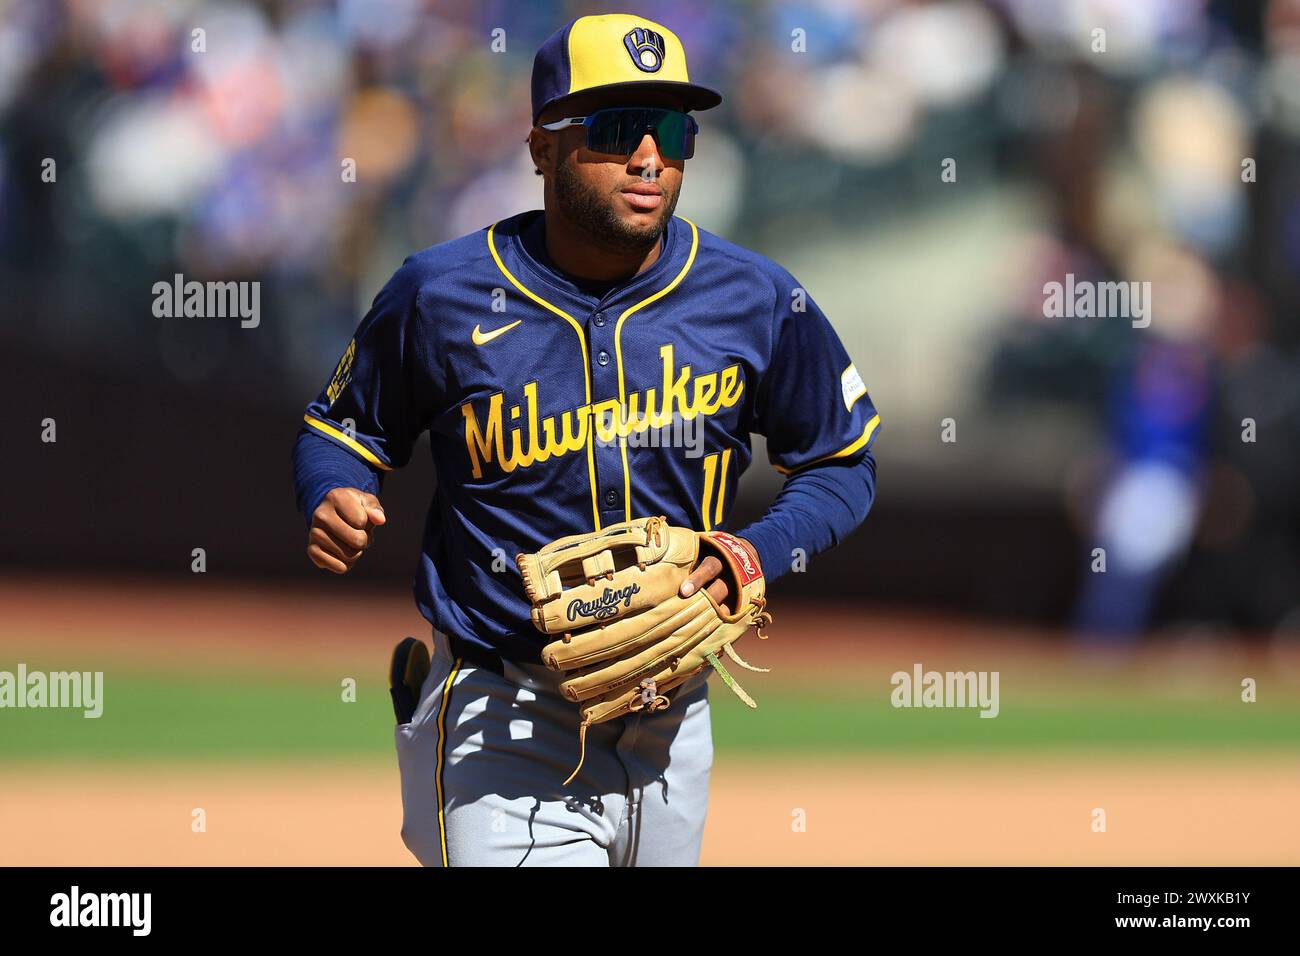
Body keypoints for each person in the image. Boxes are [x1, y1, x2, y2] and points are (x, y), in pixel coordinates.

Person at [290, 13, 881, 867]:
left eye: (673, 128)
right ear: (541, 147)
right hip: (503, 716)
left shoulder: (755, 298)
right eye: (614, 127)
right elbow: (339, 430)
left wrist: (754, 555)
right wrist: (333, 488)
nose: (649, 154)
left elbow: (839, 462)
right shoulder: (441, 293)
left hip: (675, 720)